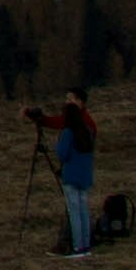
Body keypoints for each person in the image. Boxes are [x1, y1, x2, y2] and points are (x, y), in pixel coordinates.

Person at [33, 91, 100, 255]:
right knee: (83, 210)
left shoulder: (69, 132)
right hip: (85, 176)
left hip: (70, 175)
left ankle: (77, 246)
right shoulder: (88, 130)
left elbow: (62, 153)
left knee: (74, 212)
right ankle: (85, 245)